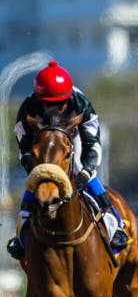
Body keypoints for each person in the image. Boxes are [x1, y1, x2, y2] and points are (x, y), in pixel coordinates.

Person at [7, 61, 129, 260]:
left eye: (60, 104)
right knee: (36, 179)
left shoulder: (80, 103)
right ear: (39, 99)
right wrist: (37, 171)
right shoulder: (28, 108)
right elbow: (24, 148)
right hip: (42, 141)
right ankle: (21, 233)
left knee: (79, 166)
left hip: (73, 137)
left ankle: (114, 224)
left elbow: (93, 144)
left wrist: (86, 172)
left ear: (68, 98)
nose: (54, 109)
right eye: (48, 104)